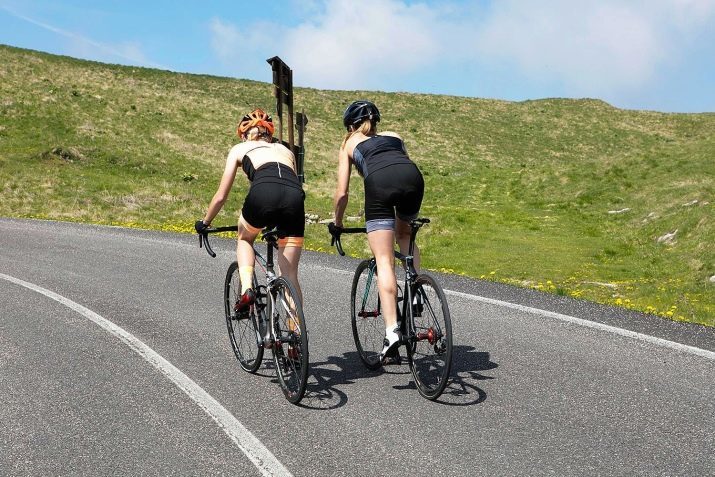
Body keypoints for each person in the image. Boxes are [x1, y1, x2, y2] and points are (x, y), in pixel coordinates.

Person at [331, 100, 424, 362]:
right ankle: (415, 287)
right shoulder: (395, 136)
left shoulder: (349, 143)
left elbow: (342, 193)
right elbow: (400, 163)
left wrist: (337, 223)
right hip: (413, 179)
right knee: (404, 235)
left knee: (384, 260)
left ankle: (392, 330)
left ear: (350, 125)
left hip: (380, 185)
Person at [196, 108, 305, 311]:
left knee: (245, 238)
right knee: (290, 275)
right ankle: (295, 336)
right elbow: (284, 187)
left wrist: (205, 222)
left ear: (245, 135)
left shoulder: (240, 148)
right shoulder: (287, 151)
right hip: (295, 198)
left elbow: (221, 196)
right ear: (269, 134)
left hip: (262, 193)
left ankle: (247, 289)